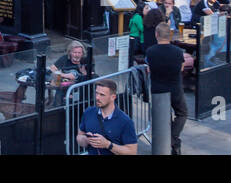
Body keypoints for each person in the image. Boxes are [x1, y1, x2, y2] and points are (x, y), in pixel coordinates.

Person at [145, 23, 187, 154]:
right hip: (175, 88)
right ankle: (173, 141)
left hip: (158, 89)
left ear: (156, 34)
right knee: (182, 113)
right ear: (170, 34)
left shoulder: (150, 51)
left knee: (163, 118)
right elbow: (181, 68)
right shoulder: (178, 51)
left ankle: (169, 143)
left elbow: (149, 69)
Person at [76, 80, 138, 155]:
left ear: (113, 97)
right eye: (96, 93)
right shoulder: (88, 112)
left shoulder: (125, 121)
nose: (97, 97)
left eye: (102, 95)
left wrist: (108, 145)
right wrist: (86, 140)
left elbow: (132, 151)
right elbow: (79, 136)